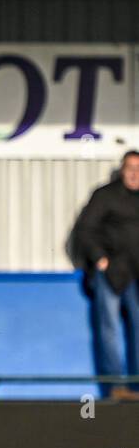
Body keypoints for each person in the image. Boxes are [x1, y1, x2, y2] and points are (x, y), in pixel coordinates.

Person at [75, 150, 139, 398]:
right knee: (108, 328)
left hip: (137, 274)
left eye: (138, 169)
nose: (134, 174)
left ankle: (136, 385)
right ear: (122, 170)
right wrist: (100, 259)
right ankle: (115, 386)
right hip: (112, 273)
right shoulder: (106, 196)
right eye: (130, 168)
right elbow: (86, 229)